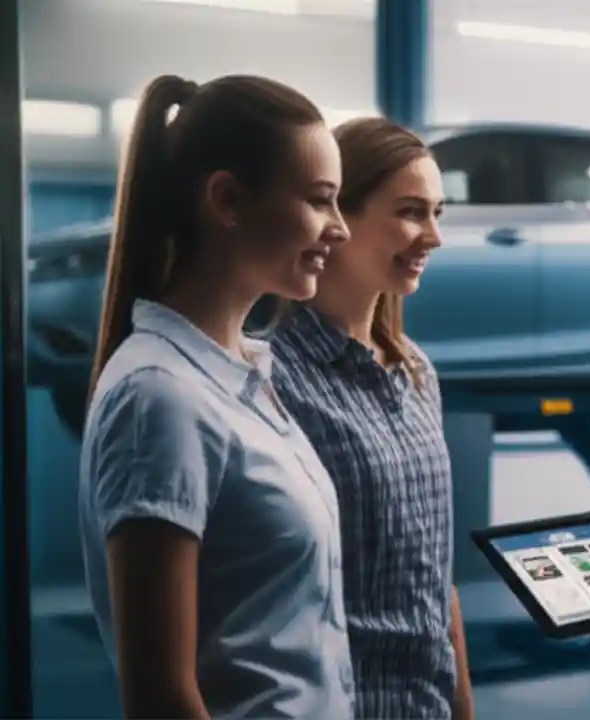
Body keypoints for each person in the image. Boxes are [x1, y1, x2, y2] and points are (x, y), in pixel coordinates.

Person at [78, 74, 355, 719]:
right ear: (227, 200)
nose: (338, 229)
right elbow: (161, 698)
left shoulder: (245, 375)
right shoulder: (160, 398)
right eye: (320, 201)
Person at [268, 117, 473, 719]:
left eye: (438, 213)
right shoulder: (271, 378)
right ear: (336, 217)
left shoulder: (415, 373)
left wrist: (462, 704)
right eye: (411, 212)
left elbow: (436, 576)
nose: (432, 236)